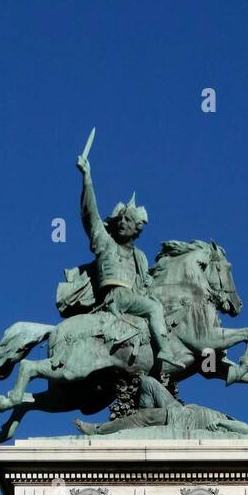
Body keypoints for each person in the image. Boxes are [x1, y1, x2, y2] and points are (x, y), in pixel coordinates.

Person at [76, 147, 179, 374]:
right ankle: (165, 351)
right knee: (153, 308)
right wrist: (87, 179)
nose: (122, 222)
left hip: (133, 298)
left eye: (128, 220)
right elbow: (90, 215)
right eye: (120, 219)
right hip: (116, 297)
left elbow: (146, 285)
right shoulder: (105, 242)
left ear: (137, 228)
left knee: (158, 305)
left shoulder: (139, 257)